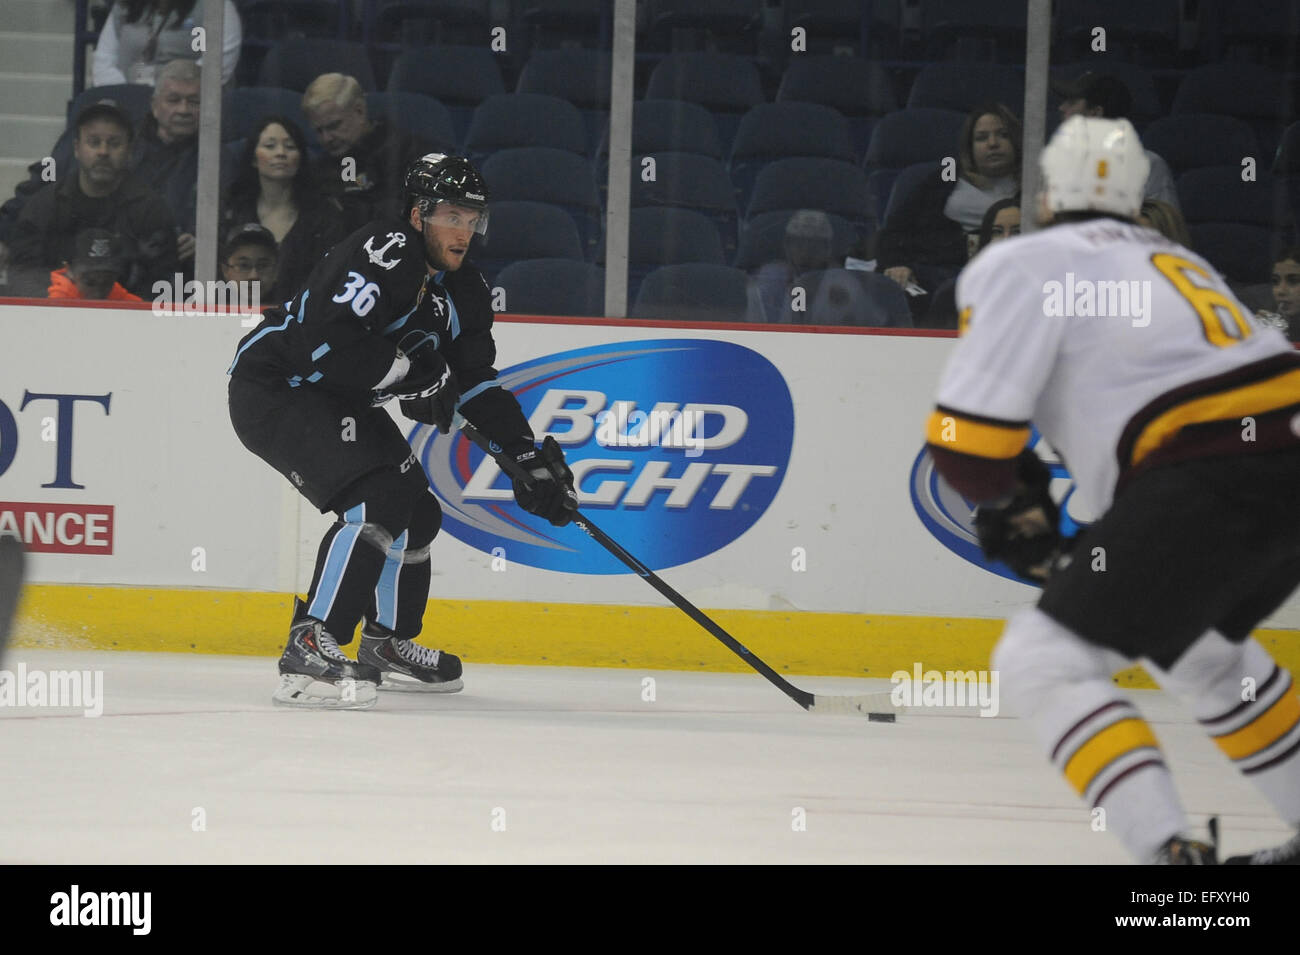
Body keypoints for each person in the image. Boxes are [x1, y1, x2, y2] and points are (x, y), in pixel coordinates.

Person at [924, 115, 1300, 864]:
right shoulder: (1177, 259)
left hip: (1210, 466)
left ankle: (1169, 862)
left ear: (1042, 201)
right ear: (1137, 202)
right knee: (1205, 655)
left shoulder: (1024, 261)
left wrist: (1009, 500)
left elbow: (970, 444)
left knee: (1041, 661)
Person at [227, 153, 578, 709]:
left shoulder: (464, 292)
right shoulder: (384, 252)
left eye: (472, 219)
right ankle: (310, 642)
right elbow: (324, 342)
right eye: (451, 216)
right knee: (378, 496)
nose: (462, 232)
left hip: (333, 395)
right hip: (278, 385)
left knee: (416, 512)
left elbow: (474, 385)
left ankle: (383, 644)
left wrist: (524, 455)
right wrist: (413, 375)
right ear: (418, 215)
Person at [7, 101, 179, 298]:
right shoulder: (44, 206)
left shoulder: (151, 210)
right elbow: (23, 276)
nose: (103, 152)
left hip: (128, 320)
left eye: (114, 143)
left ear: (130, 151)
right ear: (76, 149)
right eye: (94, 142)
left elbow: (162, 284)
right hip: (56, 318)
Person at [876, 101, 1022, 297]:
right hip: (934, 275)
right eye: (981, 138)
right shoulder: (948, 174)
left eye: (1003, 135)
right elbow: (896, 230)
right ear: (969, 148)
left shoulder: (1035, 182)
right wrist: (897, 264)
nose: (993, 143)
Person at [220, 115, 349, 304]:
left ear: (300, 157)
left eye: (290, 147)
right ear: (254, 158)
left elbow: (333, 278)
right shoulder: (232, 211)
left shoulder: (323, 216)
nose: (281, 153)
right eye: (270, 146)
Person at [302, 73, 436, 222]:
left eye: (334, 126)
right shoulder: (317, 170)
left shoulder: (407, 153)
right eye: (319, 131)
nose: (326, 138)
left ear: (359, 111)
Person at [1055, 71, 1179, 208]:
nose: (1061, 108)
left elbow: (1164, 224)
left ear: (1095, 113)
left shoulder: (1148, 165)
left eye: (1071, 102)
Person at [922, 197, 1021, 329]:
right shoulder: (954, 293)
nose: (1006, 239)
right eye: (997, 232)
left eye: (1016, 232)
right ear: (986, 237)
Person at [93, 0, 241, 87]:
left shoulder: (214, 6)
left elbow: (217, 66)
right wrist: (126, 93)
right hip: (127, 96)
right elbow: (104, 61)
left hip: (188, 101)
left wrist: (166, 93)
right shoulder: (125, 6)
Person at [746, 209, 836, 323]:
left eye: (814, 245)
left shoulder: (844, 288)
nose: (806, 253)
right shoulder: (766, 283)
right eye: (799, 244)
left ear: (827, 249)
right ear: (787, 246)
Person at [47, 228, 143, 302]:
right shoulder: (55, 306)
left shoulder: (131, 305)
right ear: (69, 271)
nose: (98, 292)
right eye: (89, 282)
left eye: (107, 282)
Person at [219, 222, 278, 302]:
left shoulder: (290, 311)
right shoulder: (209, 311)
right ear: (225, 271)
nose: (253, 276)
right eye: (244, 265)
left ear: (275, 272)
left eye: (262, 266)